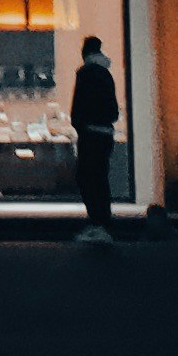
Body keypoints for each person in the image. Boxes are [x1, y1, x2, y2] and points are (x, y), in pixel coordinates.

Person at [68, 36, 126, 237]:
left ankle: (97, 219)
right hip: (105, 133)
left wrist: (78, 125)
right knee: (100, 177)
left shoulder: (85, 74)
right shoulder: (105, 74)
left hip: (90, 133)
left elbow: (78, 107)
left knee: (86, 177)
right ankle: (103, 219)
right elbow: (113, 110)